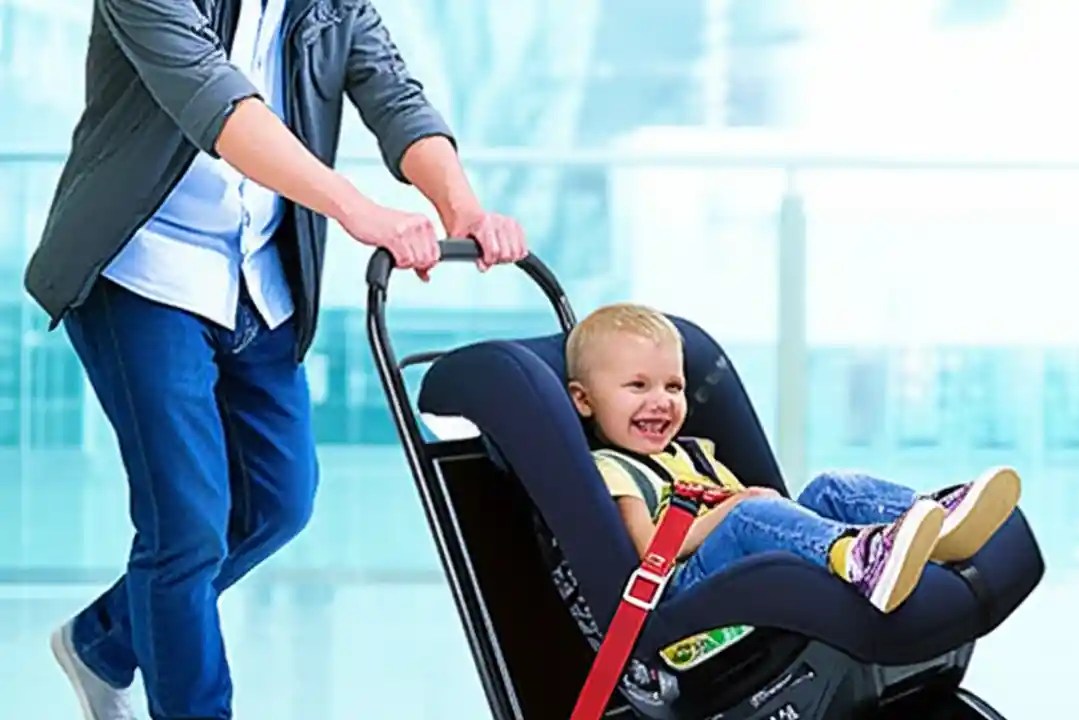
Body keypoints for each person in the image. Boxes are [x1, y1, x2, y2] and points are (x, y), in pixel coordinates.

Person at [24, 2, 526, 718]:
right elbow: (220, 106)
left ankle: (104, 641)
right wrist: (357, 210)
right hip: (141, 269)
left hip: (259, 275)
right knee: (187, 526)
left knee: (278, 501)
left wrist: (461, 206)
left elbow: (391, 93)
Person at [564, 303, 1022, 615]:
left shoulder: (693, 454)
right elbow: (650, 551)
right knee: (751, 514)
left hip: (737, 557)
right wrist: (734, 511)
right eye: (638, 387)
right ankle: (858, 558)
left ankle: (935, 523)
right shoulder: (613, 468)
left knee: (829, 487)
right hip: (689, 592)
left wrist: (744, 509)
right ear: (584, 401)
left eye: (674, 387)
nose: (661, 402)